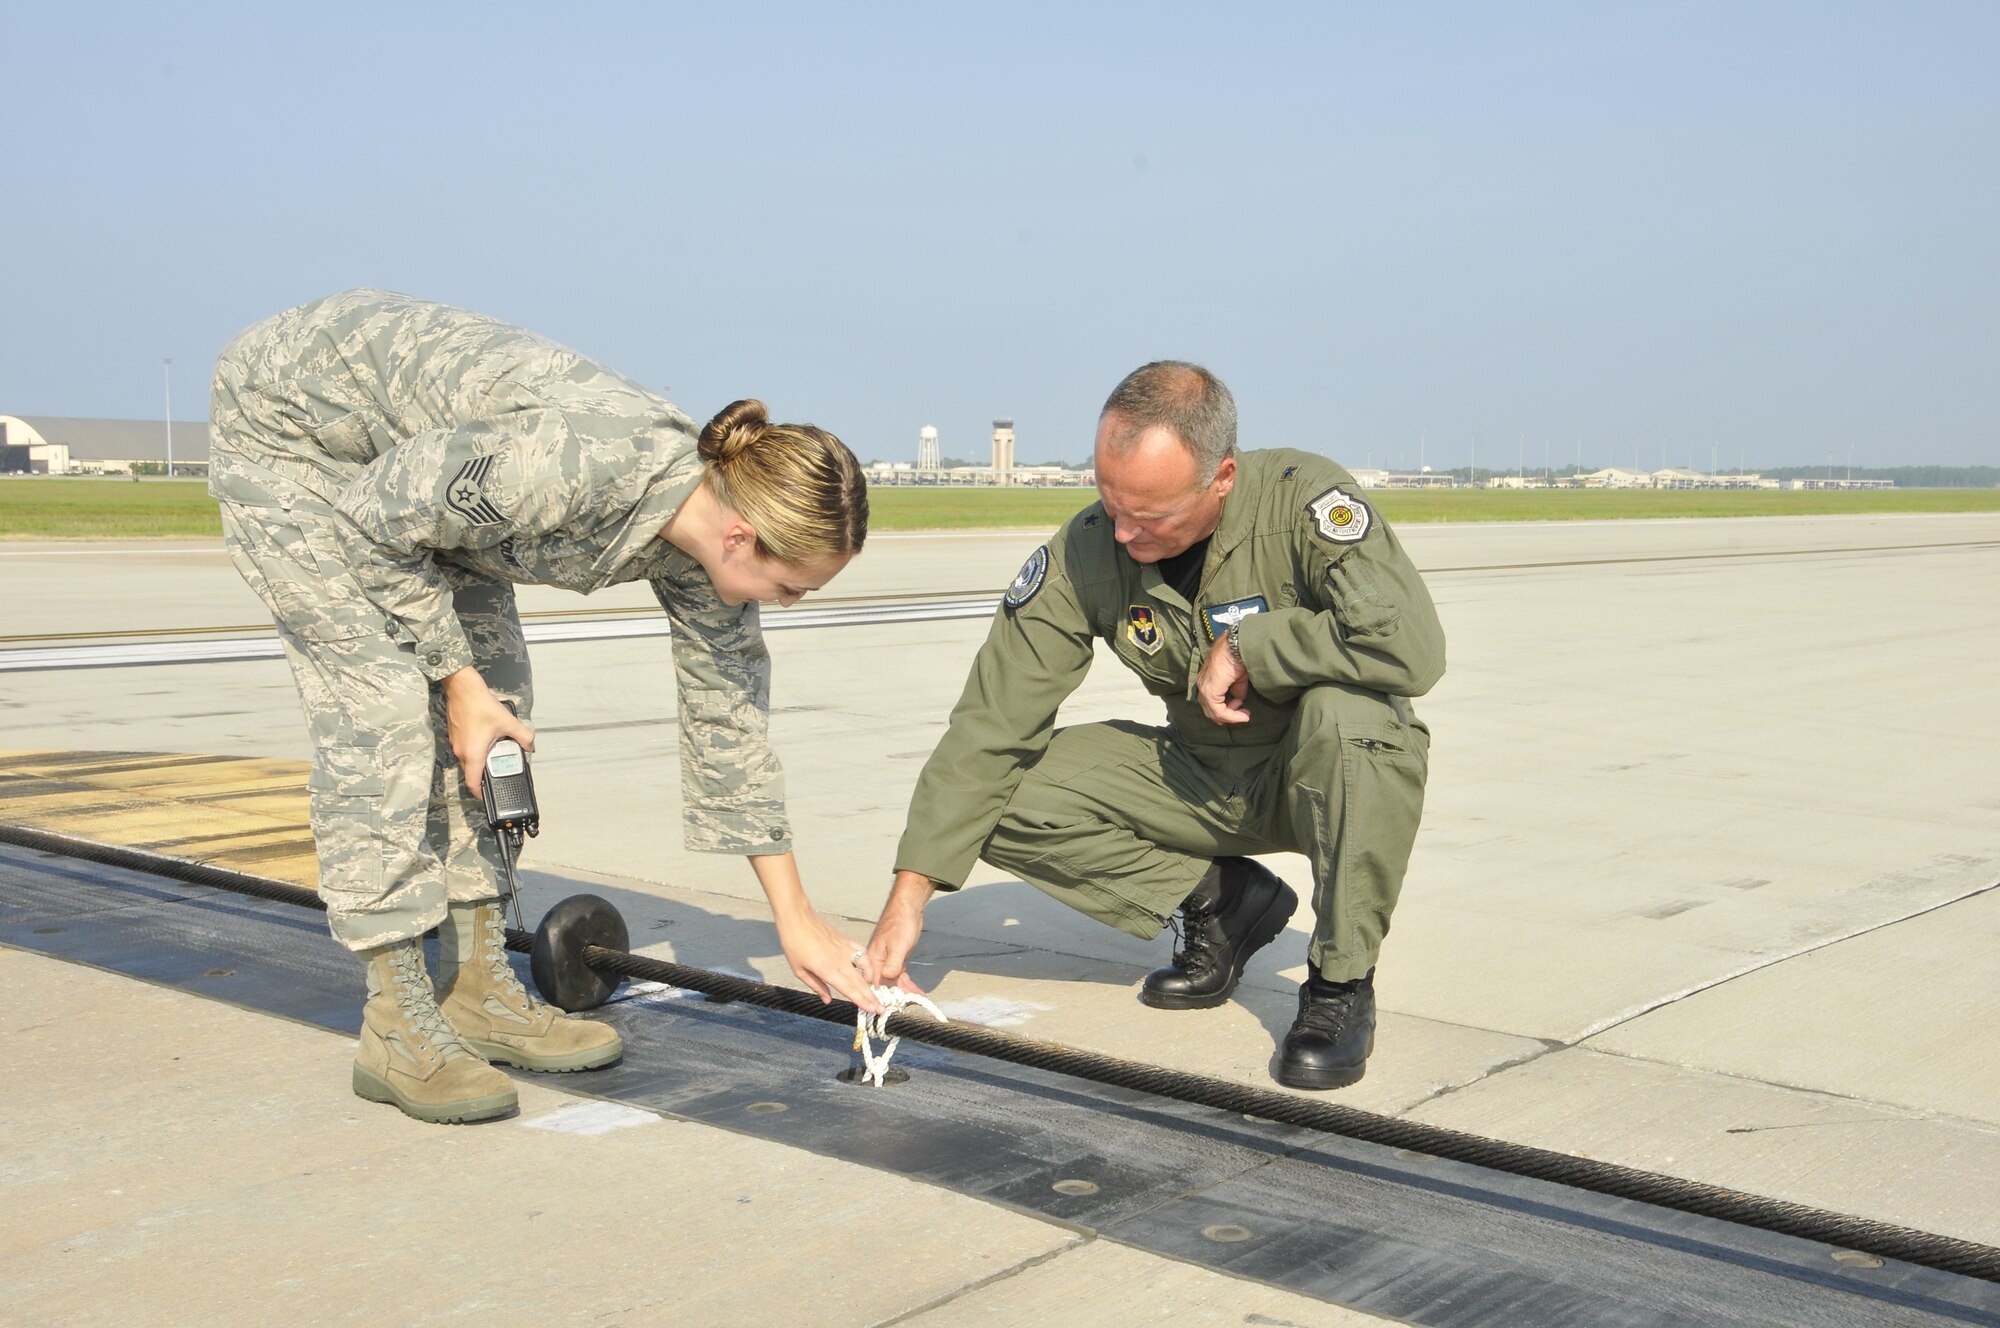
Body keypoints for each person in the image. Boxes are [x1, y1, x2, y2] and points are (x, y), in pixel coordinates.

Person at [210, 288, 881, 1124]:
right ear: (742, 535)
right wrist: (455, 683)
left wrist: (798, 918)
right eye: (790, 587)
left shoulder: (706, 547)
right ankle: (395, 1021)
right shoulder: (573, 464)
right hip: (302, 433)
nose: (786, 604)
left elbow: (730, 721)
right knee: (380, 712)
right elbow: (373, 523)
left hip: (417, 493)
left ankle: (477, 984)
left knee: (503, 707)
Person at [868, 362, 1444, 1090]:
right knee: (1002, 793)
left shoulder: (1304, 502)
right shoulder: (1088, 548)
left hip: (1321, 772)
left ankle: (1340, 986)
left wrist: (1252, 645)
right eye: (1111, 502)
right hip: (1201, 774)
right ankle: (1221, 902)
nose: (1125, 531)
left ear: (1223, 478)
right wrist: (908, 896)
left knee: (1355, 720)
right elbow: (991, 724)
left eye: (1152, 516)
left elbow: (1412, 648)